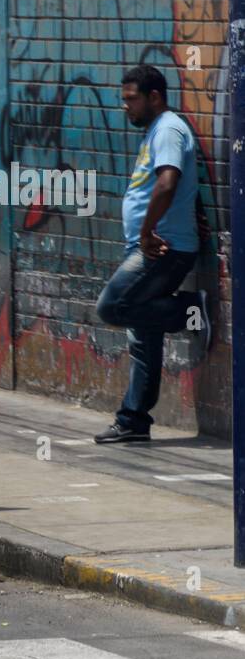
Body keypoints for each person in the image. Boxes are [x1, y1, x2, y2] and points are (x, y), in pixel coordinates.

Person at [93, 64, 210, 443]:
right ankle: (133, 420)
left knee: (112, 307)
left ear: (154, 97)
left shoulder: (170, 130)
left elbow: (168, 181)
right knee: (143, 338)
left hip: (164, 249)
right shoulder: (156, 131)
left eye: (132, 99)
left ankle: (190, 311)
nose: (126, 106)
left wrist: (146, 232)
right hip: (151, 245)